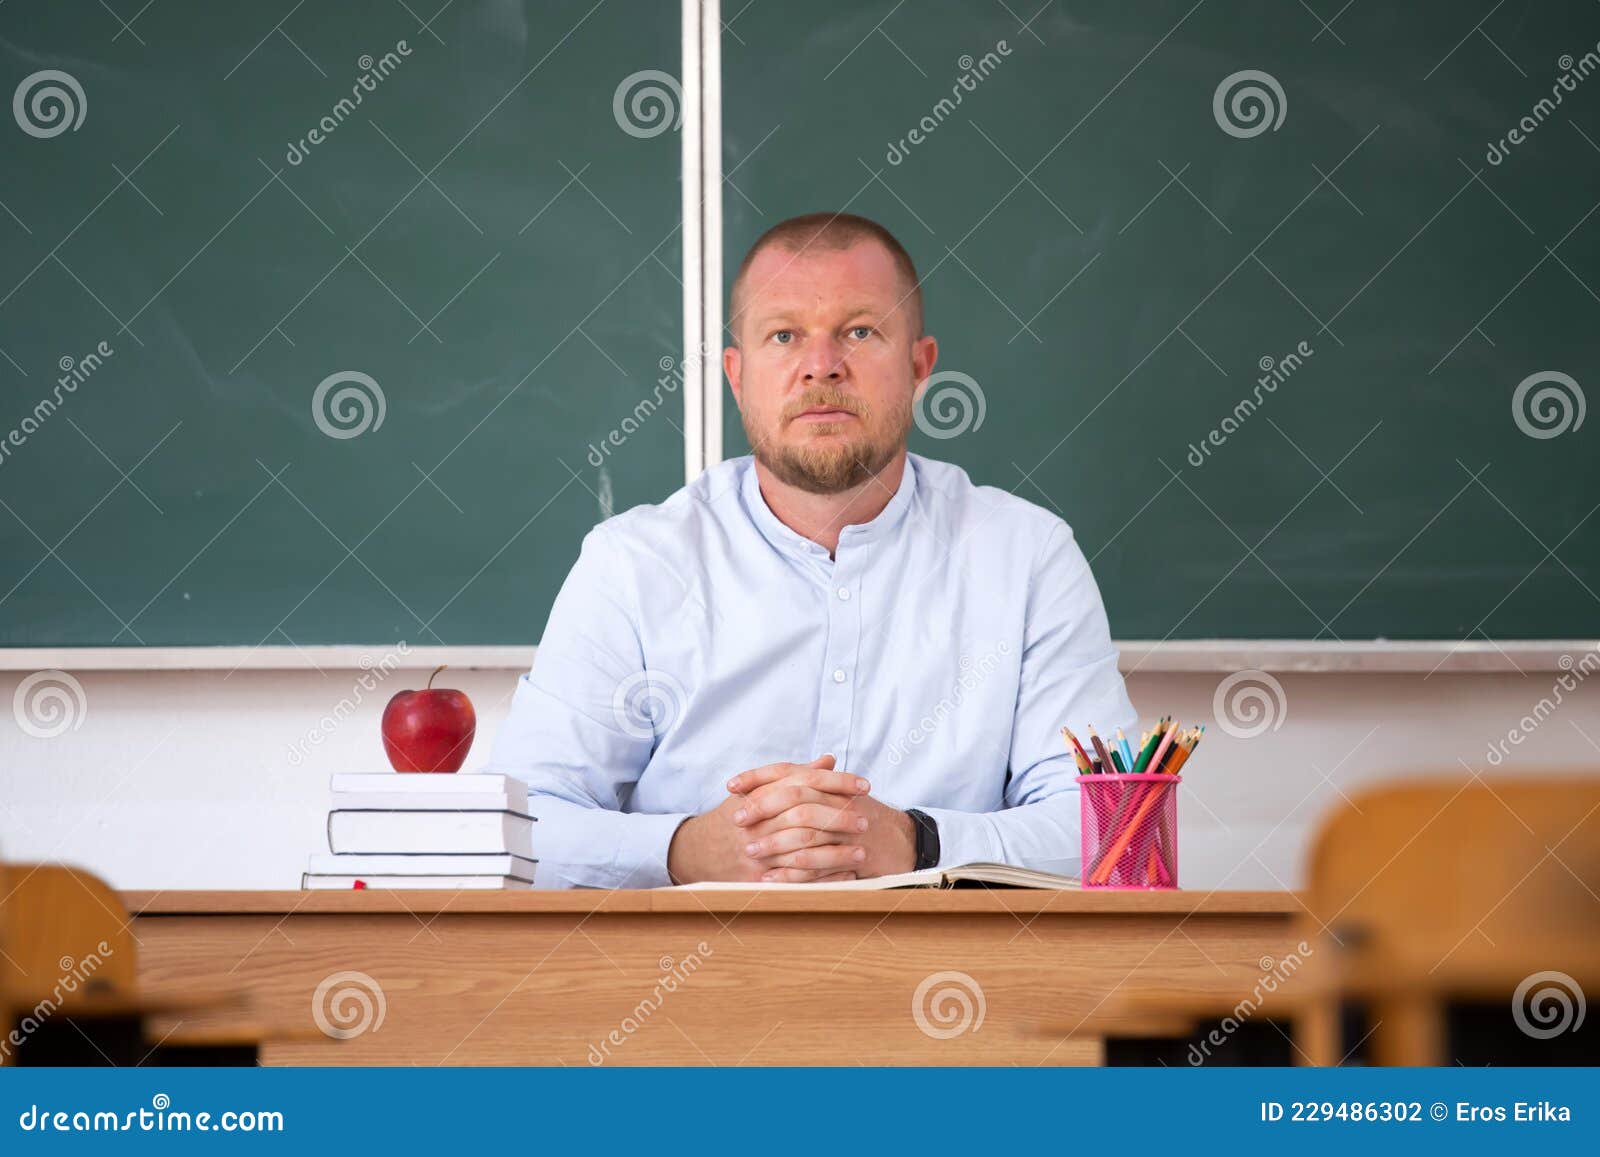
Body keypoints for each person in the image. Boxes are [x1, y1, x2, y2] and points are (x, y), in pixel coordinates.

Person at [489, 212, 1135, 888]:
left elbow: (1117, 831)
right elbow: (517, 828)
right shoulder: (633, 565)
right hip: (692, 987)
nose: (821, 366)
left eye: (860, 331)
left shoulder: (1027, 558)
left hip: (944, 981)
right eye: (784, 335)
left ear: (920, 366)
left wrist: (919, 841)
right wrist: (686, 849)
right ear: (737, 377)